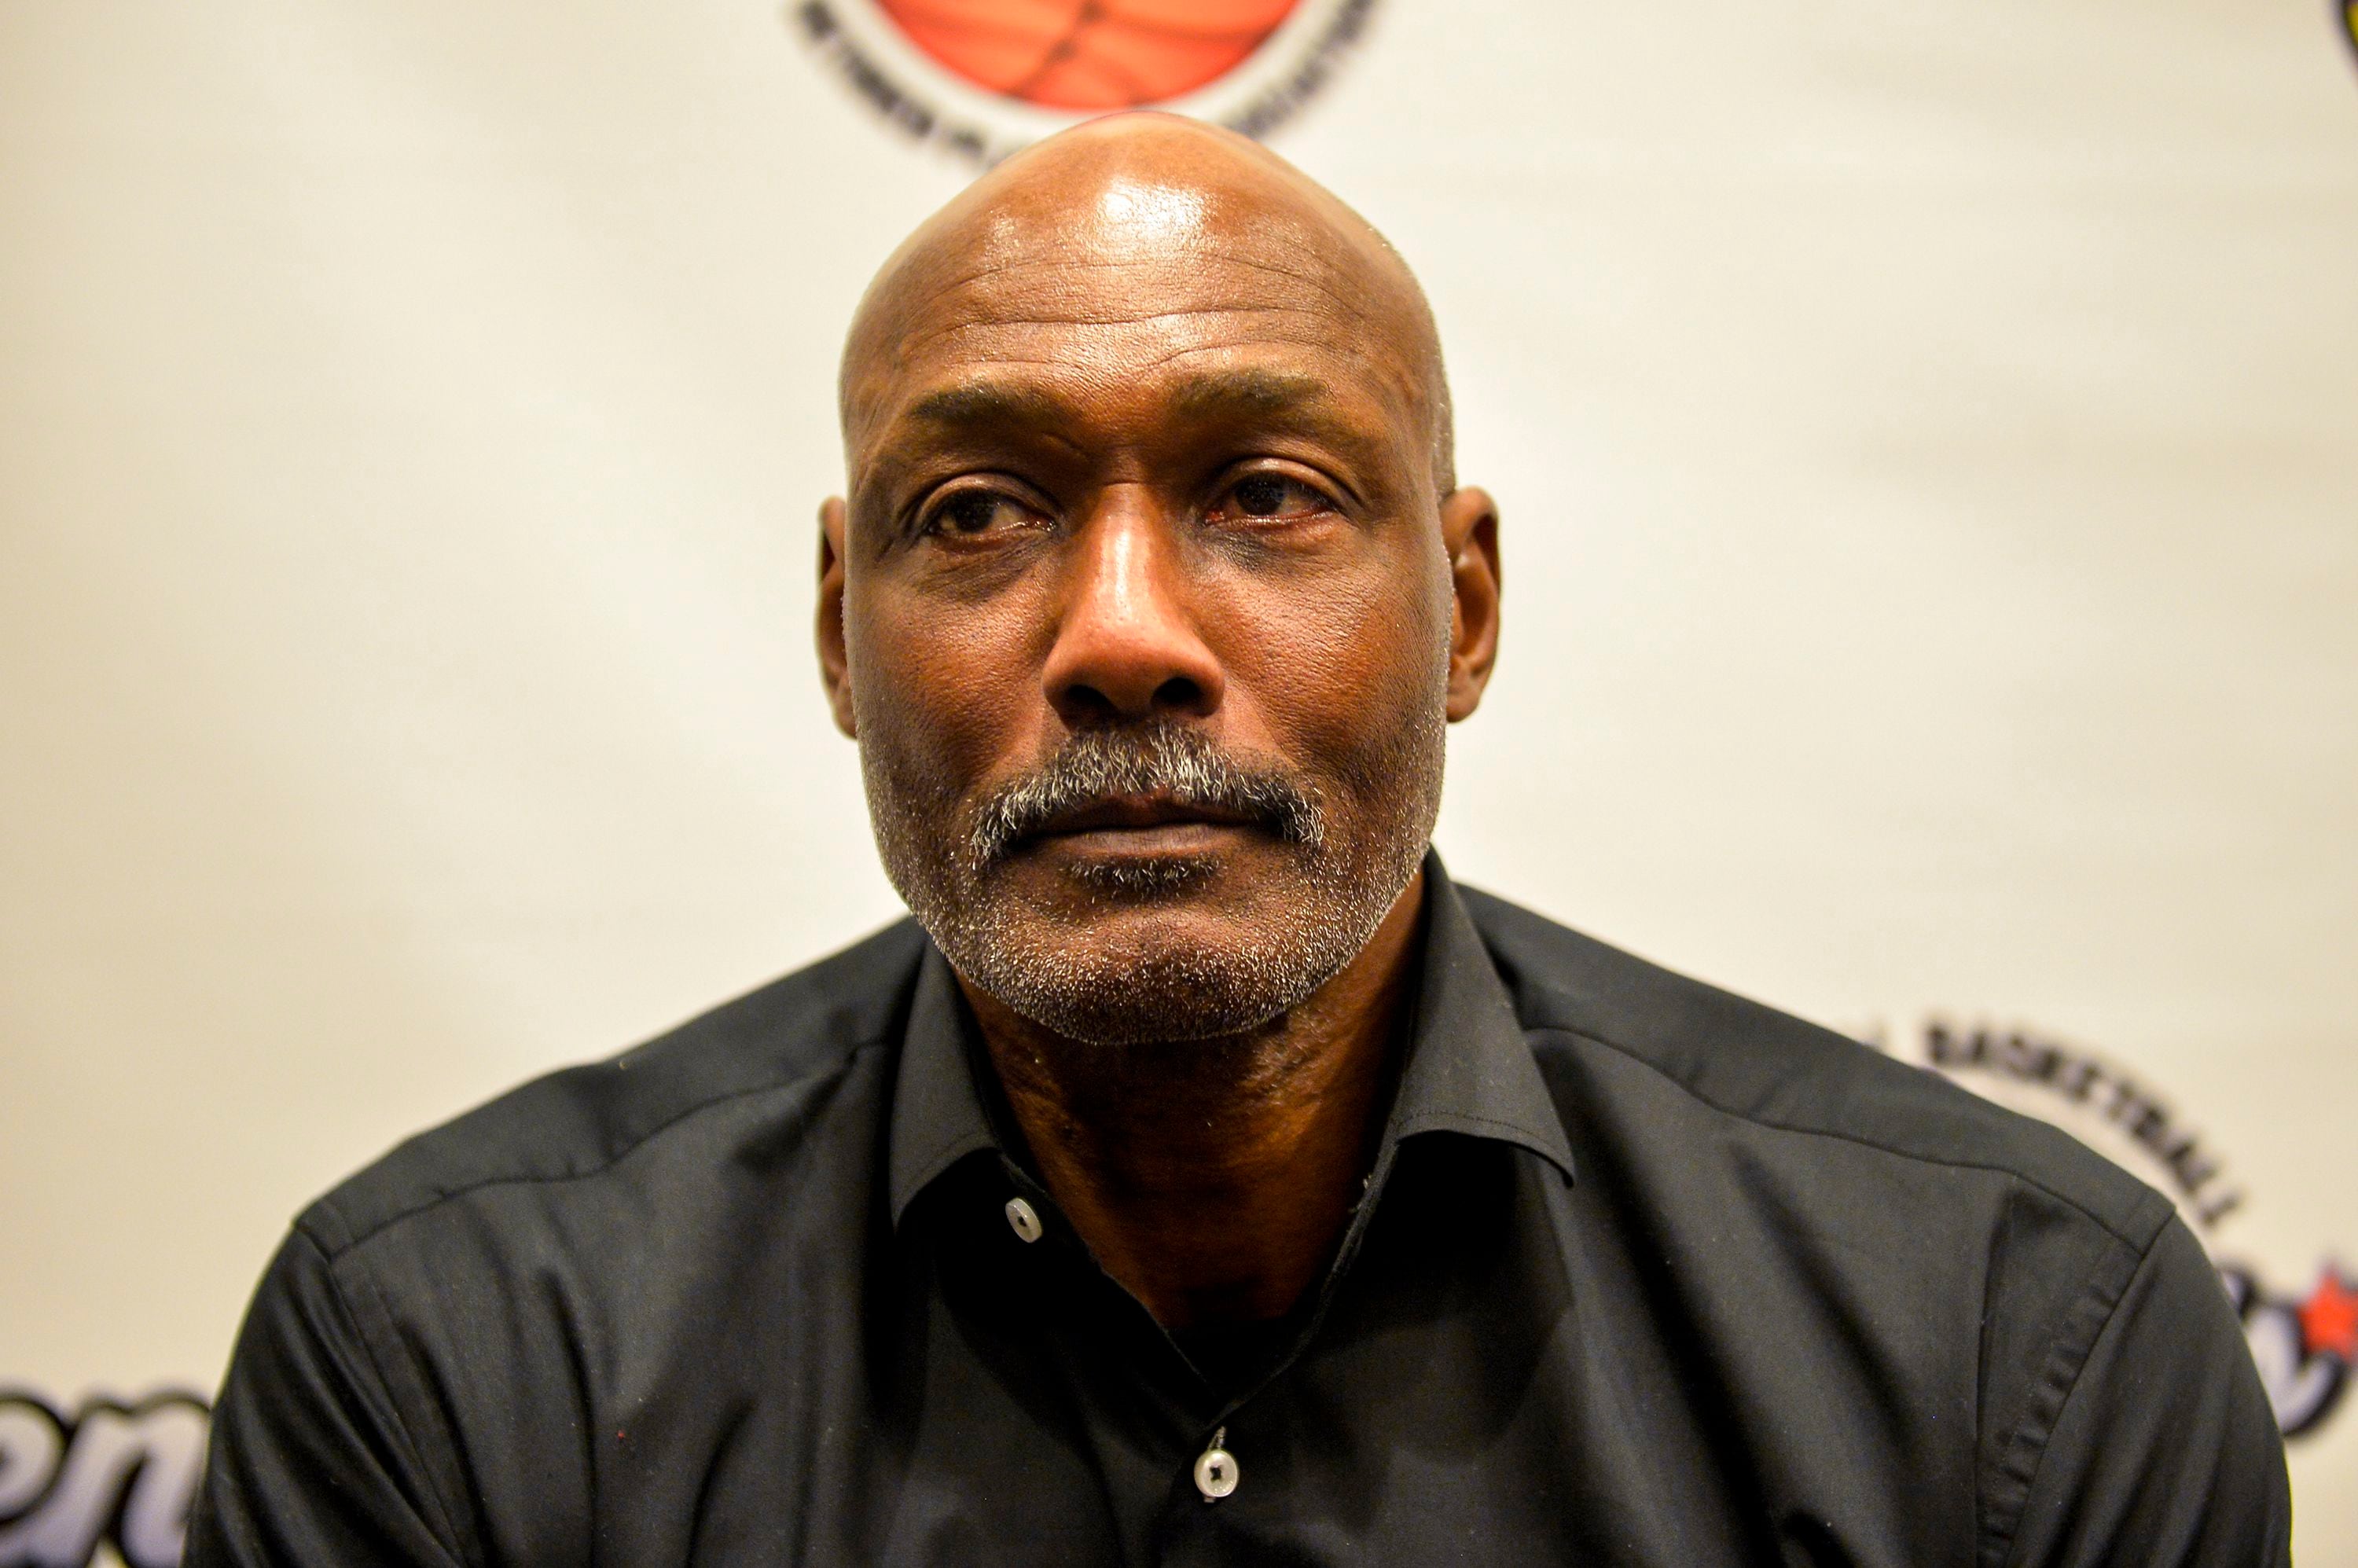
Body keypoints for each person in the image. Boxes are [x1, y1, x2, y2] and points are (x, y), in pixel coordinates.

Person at [185, 113, 2290, 1566]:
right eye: (977, 512)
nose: (1122, 635)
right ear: (840, 632)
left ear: (1466, 611)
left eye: (1268, 494)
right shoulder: (462, 1356)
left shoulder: (2006, 1345)